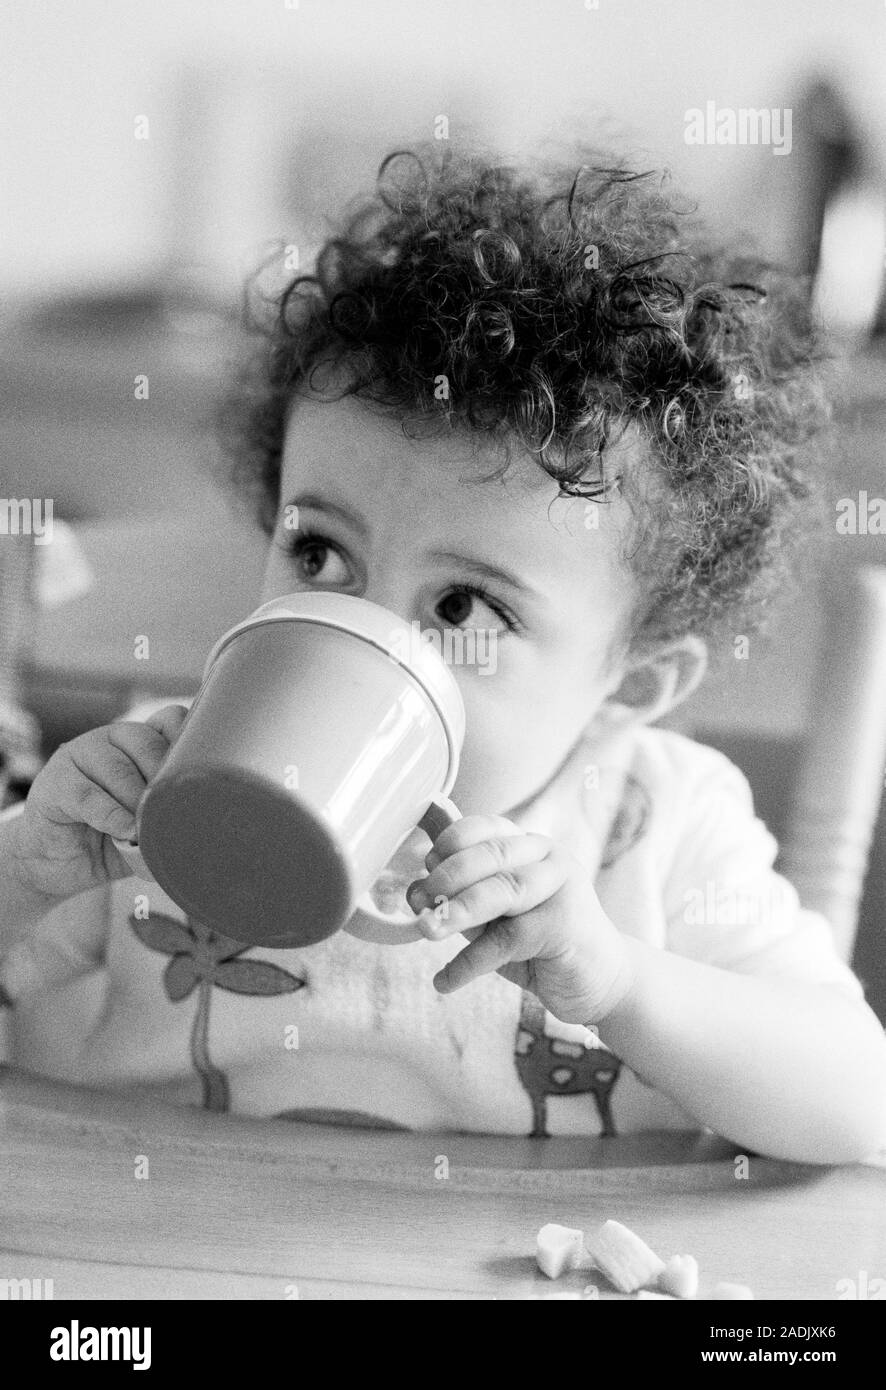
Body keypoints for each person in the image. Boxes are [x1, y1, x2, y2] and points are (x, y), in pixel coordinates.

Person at [2, 145, 885, 1162]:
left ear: (625, 688)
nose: (364, 631)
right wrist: (26, 869)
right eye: (317, 549)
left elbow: (854, 1104)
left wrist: (616, 979)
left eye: (463, 602)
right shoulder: (147, 798)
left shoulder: (655, 835)